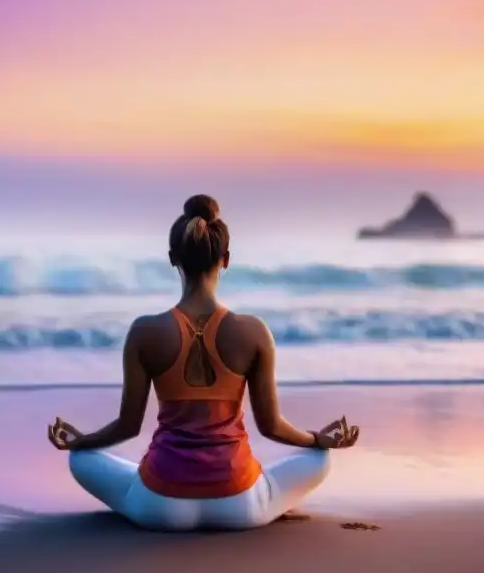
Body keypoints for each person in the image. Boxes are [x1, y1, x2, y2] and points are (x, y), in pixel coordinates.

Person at [47, 194, 359, 531]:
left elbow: (128, 427)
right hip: (240, 504)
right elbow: (271, 426)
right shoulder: (253, 331)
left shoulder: (144, 331)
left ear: (172, 258)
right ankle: (267, 497)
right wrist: (317, 440)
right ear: (225, 260)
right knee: (320, 460)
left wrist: (82, 440)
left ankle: (140, 495)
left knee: (81, 459)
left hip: (159, 505)